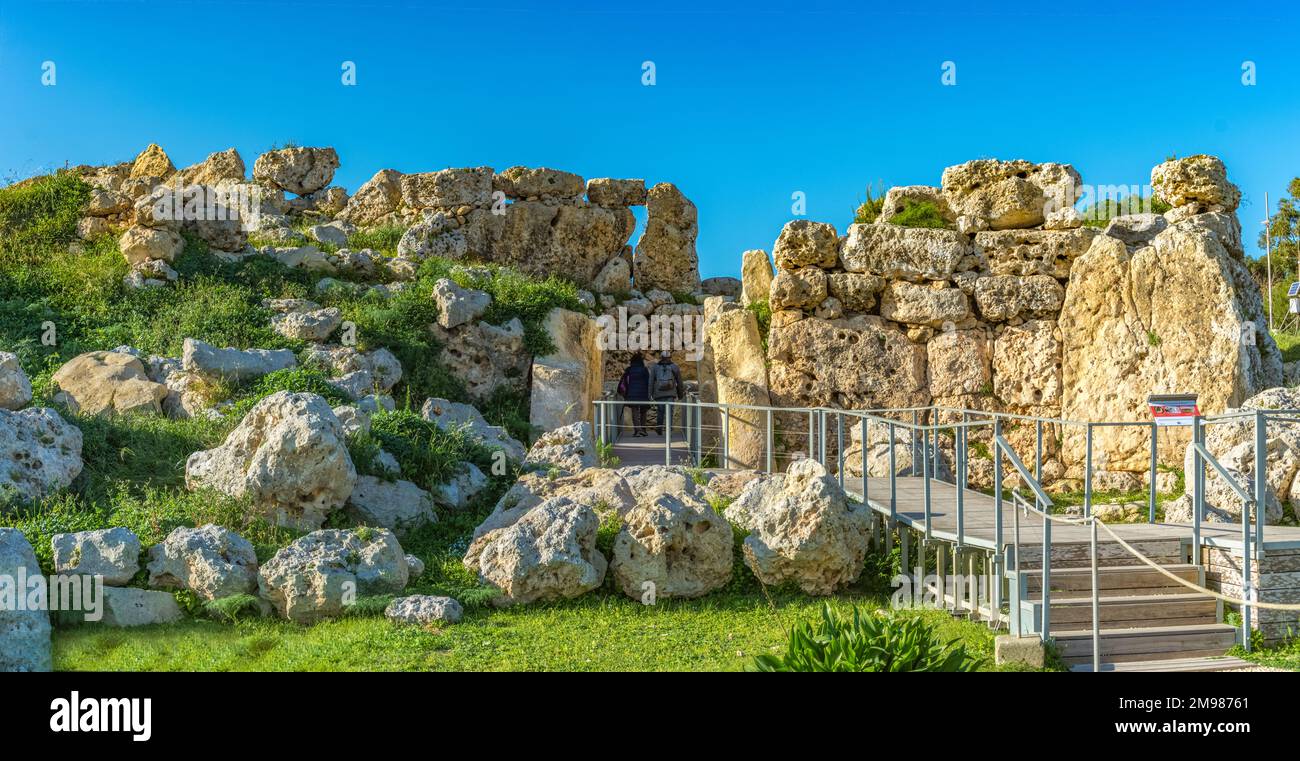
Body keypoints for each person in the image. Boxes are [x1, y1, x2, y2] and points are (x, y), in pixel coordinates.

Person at [650, 350, 684, 436]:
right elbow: (679, 382)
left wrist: (649, 395)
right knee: (670, 412)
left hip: (659, 393)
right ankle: (668, 431)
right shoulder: (674, 367)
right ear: (670, 358)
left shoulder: (655, 367)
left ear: (661, 358)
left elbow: (650, 382)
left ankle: (659, 429)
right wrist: (680, 395)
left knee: (660, 411)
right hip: (671, 393)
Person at [618, 353, 651, 437]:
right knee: (643, 412)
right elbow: (648, 382)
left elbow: (624, 382)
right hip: (644, 394)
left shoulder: (629, 370)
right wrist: (649, 394)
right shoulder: (644, 370)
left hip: (632, 394)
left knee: (635, 412)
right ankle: (643, 430)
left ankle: (637, 431)